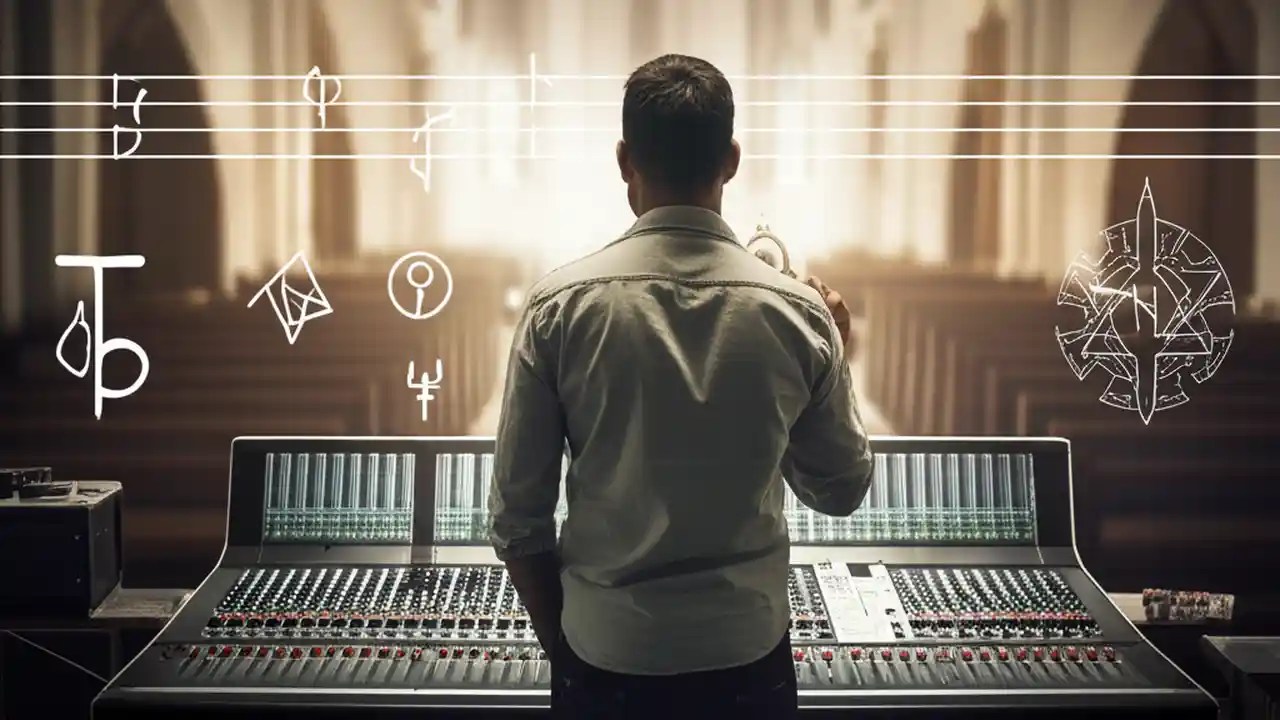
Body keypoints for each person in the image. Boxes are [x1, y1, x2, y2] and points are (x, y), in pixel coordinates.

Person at [488, 53, 875, 719]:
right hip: (746, 662)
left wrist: (571, 653)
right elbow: (839, 490)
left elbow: (517, 523)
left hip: (605, 659)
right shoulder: (798, 314)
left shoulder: (559, 307)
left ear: (624, 160)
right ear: (731, 160)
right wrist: (833, 352)